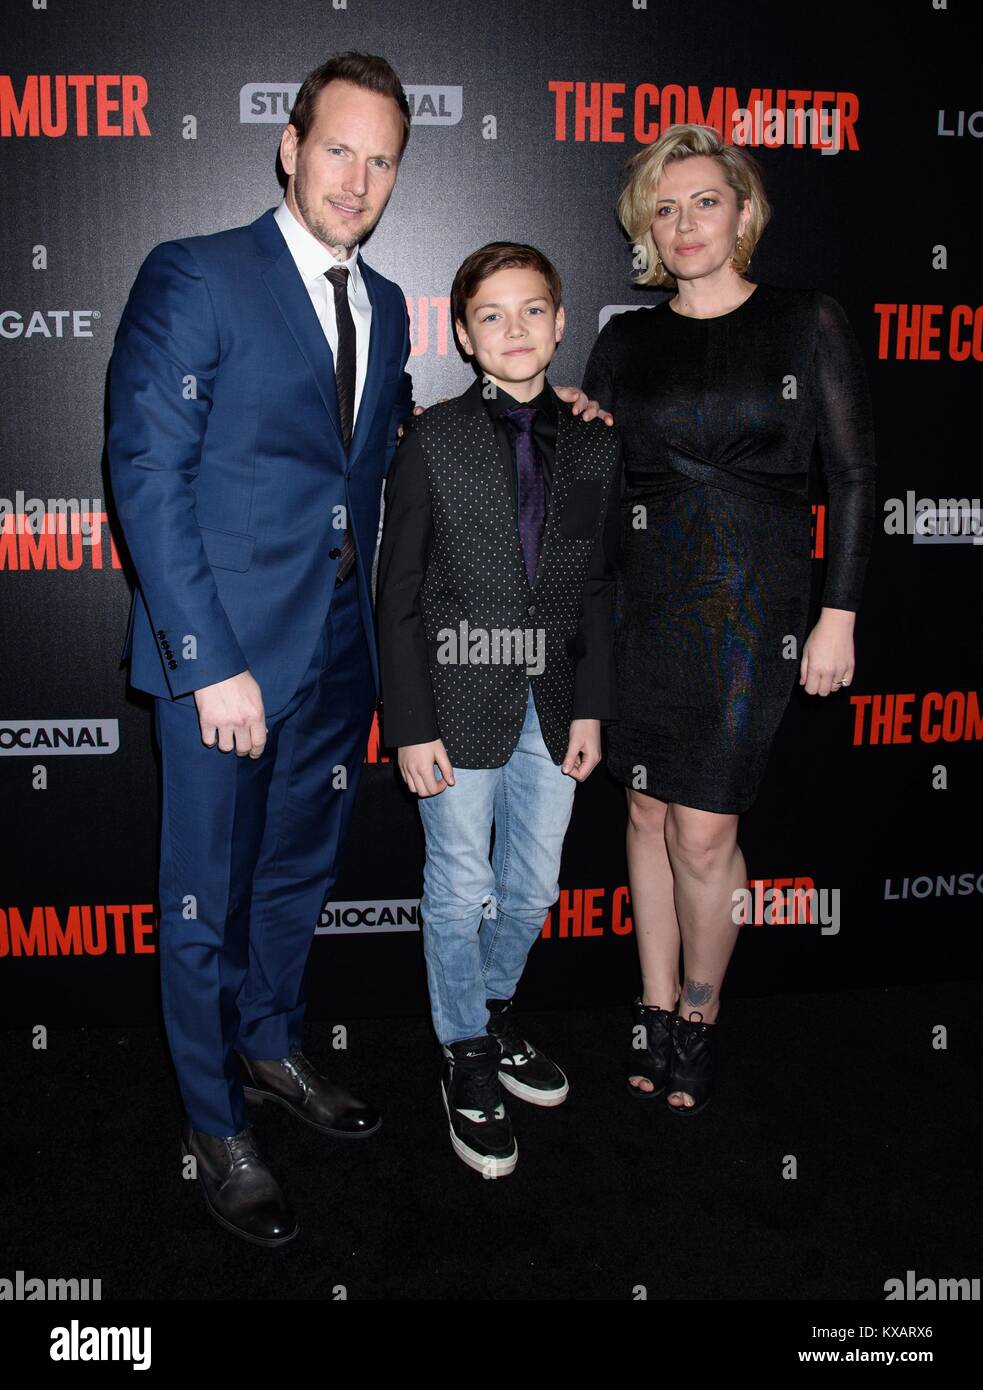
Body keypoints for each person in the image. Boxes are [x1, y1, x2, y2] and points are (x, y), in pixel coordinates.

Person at [108, 52, 608, 1245]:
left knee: (290, 883)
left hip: (336, 657)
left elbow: (400, 442)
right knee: (201, 903)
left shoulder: (383, 307)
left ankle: (274, 1050)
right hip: (221, 662)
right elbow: (145, 471)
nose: (358, 177)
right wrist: (203, 657)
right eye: (338, 149)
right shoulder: (195, 275)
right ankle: (212, 1118)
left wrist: (554, 408)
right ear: (288, 147)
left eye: (382, 159)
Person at [581, 123, 876, 1116]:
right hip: (642, 603)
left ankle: (698, 1019)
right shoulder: (626, 340)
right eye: (663, 208)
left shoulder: (804, 321)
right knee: (644, 811)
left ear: (743, 212)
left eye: (704, 200)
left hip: (751, 607)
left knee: (704, 832)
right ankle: (653, 1004)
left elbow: (851, 472)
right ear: (643, 231)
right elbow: (594, 476)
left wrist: (835, 614)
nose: (684, 222)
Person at [376, 243, 622, 1177]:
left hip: (554, 705)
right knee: (458, 885)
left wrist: (592, 709)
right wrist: (409, 724)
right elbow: (396, 592)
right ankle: (463, 1051)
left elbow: (595, 586)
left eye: (532, 312)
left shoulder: (598, 440)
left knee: (530, 890)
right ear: (463, 332)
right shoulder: (433, 438)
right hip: (453, 698)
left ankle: (491, 1012)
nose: (513, 330)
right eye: (491, 315)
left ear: (561, 324)